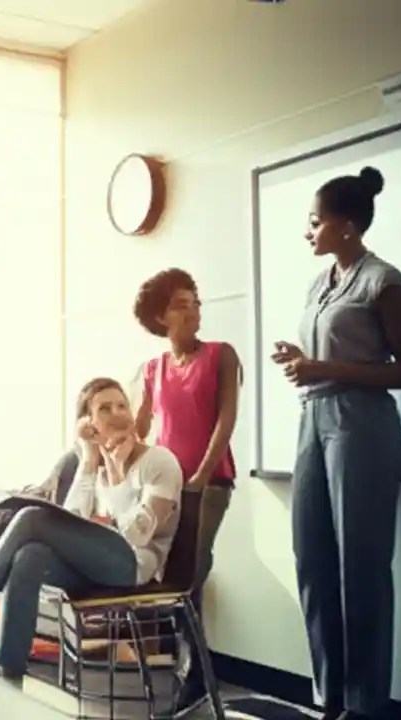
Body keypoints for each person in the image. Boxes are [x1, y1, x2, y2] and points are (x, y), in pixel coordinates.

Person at [272, 166, 401, 720]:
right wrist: (302, 360)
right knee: (311, 559)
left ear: (345, 225)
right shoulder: (322, 282)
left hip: (361, 423)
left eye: (315, 222)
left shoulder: (385, 281)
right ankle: (329, 698)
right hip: (313, 417)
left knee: (360, 564)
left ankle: (364, 705)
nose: (308, 231)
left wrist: (323, 366)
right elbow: (329, 357)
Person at [0, 377, 182, 681]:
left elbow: (139, 536)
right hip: (97, 566)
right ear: (88, 424)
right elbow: (71, 516)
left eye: (122, 405)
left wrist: (117, 479)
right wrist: (90, 459)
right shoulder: (94, 466)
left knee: (33, 518)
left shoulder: (159, 461)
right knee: (29, 556)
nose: (118, 413)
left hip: (134, 567)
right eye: (105, 409)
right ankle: (9, 677)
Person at [133, 268, 239, 711]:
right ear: (161, 317)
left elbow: (225, 420)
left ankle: (195, 675)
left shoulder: (221, 355)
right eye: (181, 304)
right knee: (172, 578)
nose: (193, 310)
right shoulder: (153, 369)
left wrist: (199, 476)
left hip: (209, 483)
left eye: (196, 301)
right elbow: (138, 429)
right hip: (166, 487)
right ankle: (189, 671)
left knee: (192, 570)